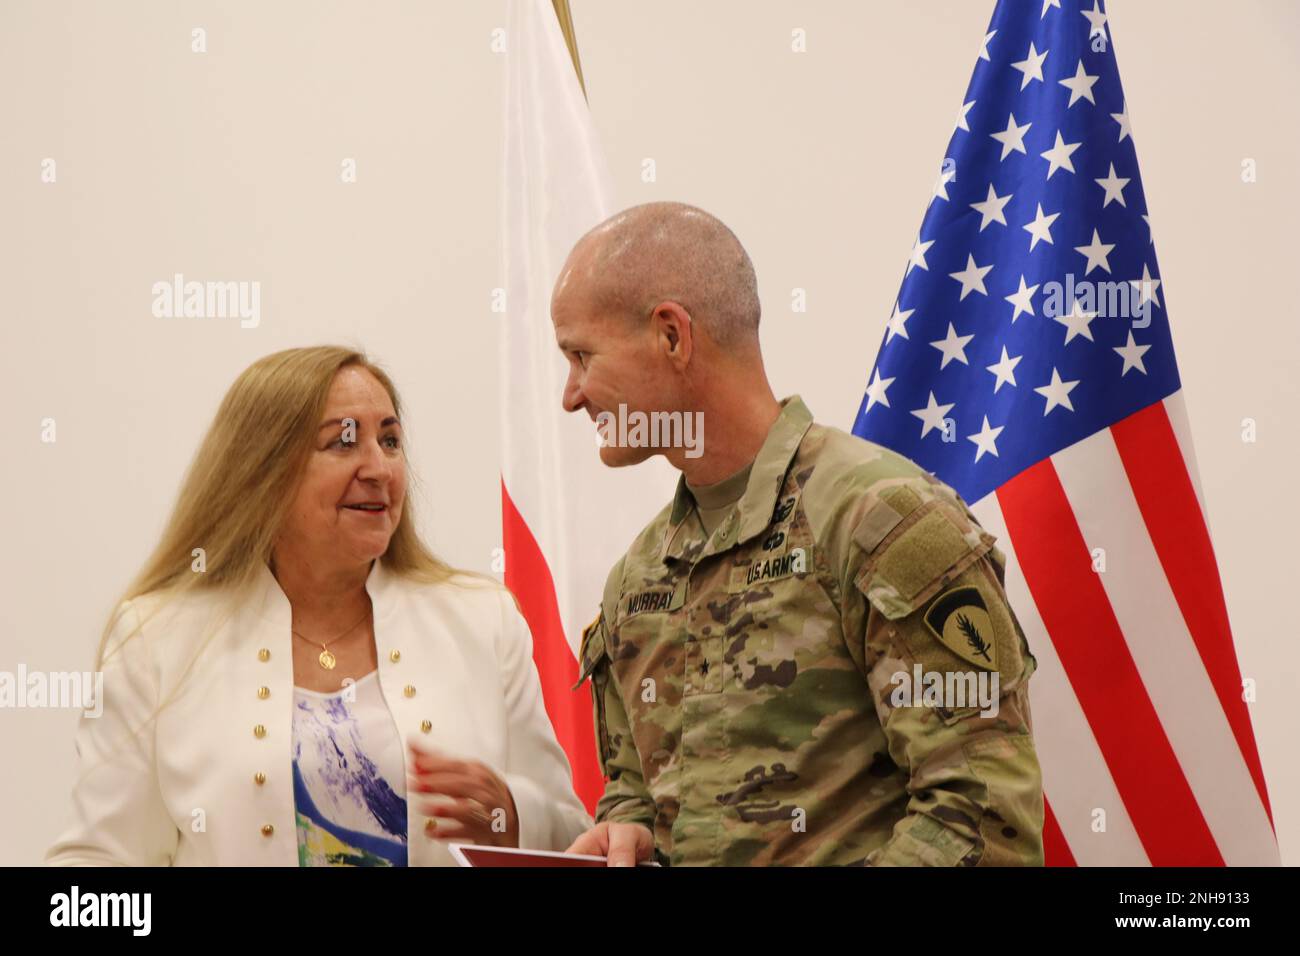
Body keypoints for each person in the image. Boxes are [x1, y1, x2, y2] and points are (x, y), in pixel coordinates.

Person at [555, 202, 1044, 866]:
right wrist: (628, 828)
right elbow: (639, 793)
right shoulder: (639, 577)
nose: (571, 394)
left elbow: (982, 817)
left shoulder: (881, 522)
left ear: (672, 336)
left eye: (581, 355)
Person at [46, 346, 591, 866]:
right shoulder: (157, 638)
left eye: (391, 441)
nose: (379, 467)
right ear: (263, 472)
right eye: (343, 443)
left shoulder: (481, 620)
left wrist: (513, 818)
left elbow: (575, 839)